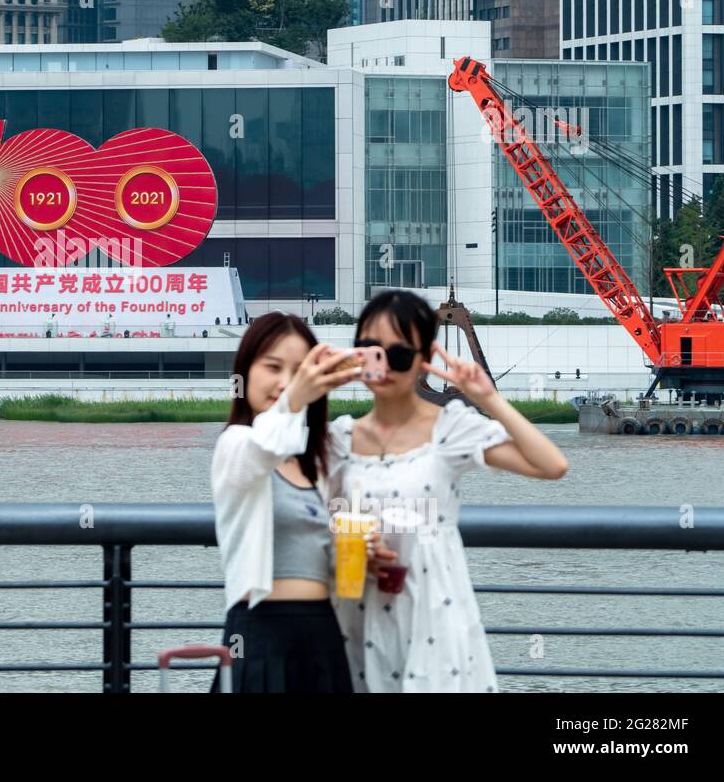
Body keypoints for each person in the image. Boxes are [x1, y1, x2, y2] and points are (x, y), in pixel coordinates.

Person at [328, 290, 569, 692]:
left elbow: (551, 464)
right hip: (358, 608)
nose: (384, 365)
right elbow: (302, 513)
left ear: (423, 360)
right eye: (370, 351)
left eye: (400, 355)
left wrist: (489, 398)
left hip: (433, 608)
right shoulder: (340, 437)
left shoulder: (450, 427)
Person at [209, 311, 367, 692]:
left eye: (298, 371)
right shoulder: (236, 446)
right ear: (244, 372)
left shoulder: (323, 459)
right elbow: (266, 445)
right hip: (258, 631)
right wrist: (297, 397)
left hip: (322, 631)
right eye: (273, 367)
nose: (284, 382)